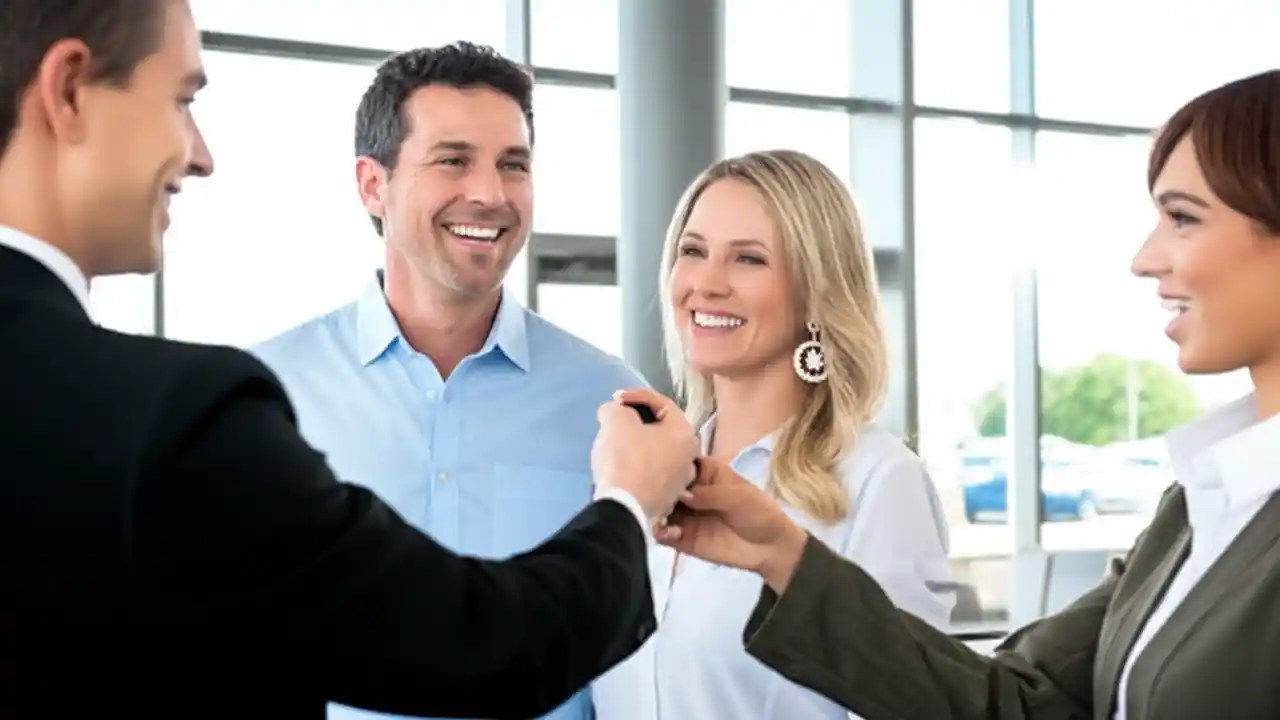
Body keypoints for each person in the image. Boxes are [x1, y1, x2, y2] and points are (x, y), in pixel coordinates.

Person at [0, 1, 699, 717]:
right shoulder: (203, 408)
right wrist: (627, 508)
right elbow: (476, 643)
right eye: (181, 99)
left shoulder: (616, 403)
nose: (201, 153)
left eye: (512, 165)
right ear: (69, 88)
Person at [643, 69, 1280, 720]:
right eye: (693, 251)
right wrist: (785, 557)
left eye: (1182, 218)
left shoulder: (879, 476)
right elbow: (1010, 705)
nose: (1145, 258)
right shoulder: (1199, 507)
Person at [249, 41, 647, 720]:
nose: (490, 194)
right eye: (453, 161)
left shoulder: (611, 402)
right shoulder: (270, 392)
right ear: (374, 184)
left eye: (513, 165)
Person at [591, 149, 955, 720]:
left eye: (748, 259)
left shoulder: (879, 482)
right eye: (693, 252)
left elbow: (915, 705)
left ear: (816, 290)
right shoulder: (645, 471)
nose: (706, 283)